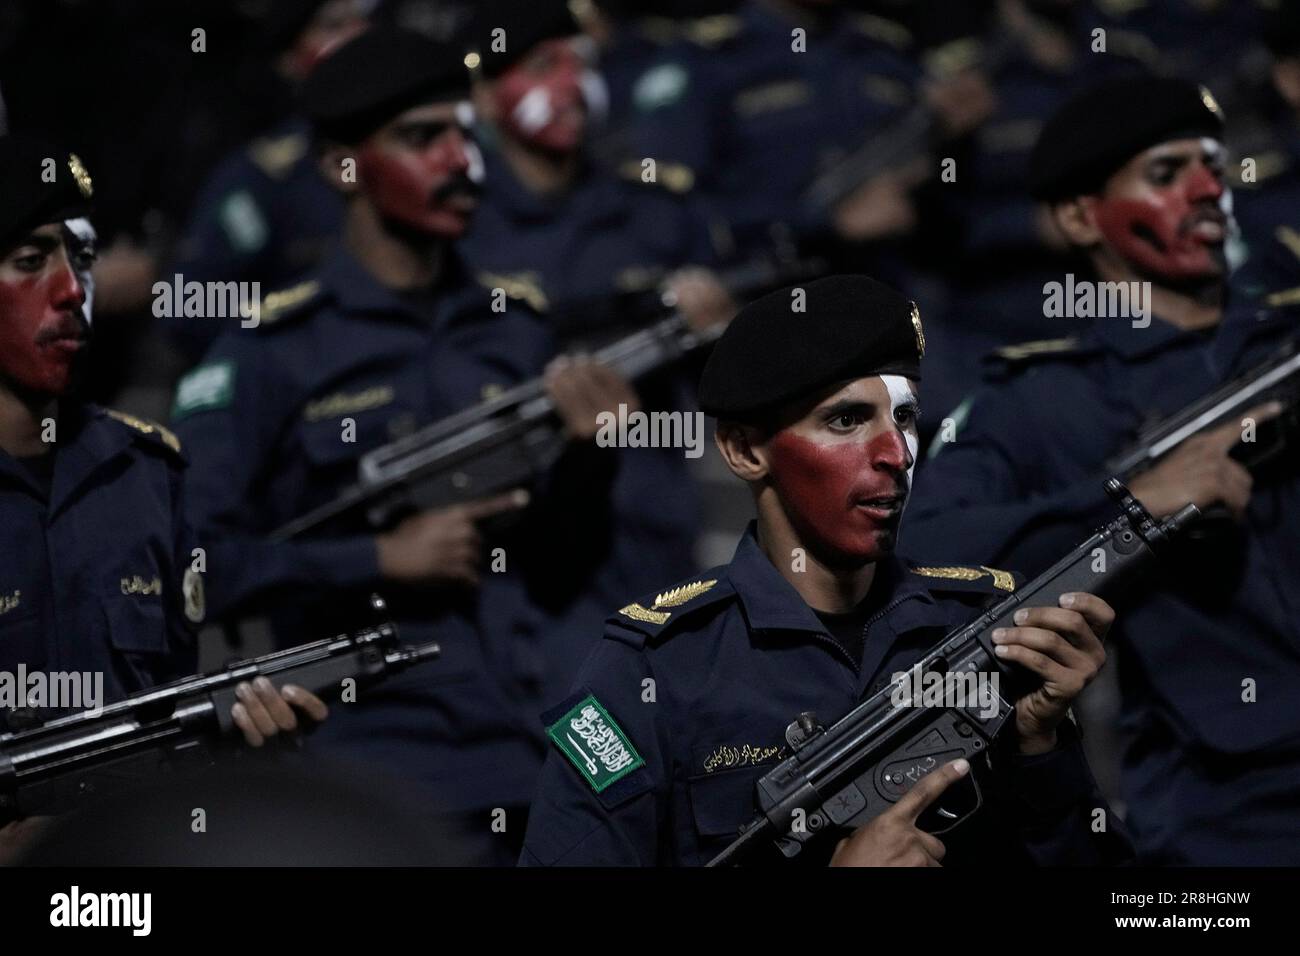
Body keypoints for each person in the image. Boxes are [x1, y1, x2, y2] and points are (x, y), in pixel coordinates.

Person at [171, 27, 636, 864]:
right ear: (343, 167)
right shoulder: (271, 353)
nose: (462, 160)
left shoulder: (514, 326)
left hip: (534, 746)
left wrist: (592, 458)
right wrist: (377, 560)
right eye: (424, 137)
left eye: (466, 132)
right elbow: (196, 566)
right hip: (367, 761)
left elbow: (562, 563)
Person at [520, 275, 1130, 866]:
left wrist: (1037, 748)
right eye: (845, 421)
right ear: (744, 450)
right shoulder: (656, 667)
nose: (895, 454)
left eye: (906, 419)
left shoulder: (978, 626)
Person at [904, 75, 1300, 864]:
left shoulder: (1285, 334)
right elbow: (925, 551)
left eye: (1214, 166)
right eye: (1166, 173)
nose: (1207, 188)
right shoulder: (1045, 393)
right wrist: (1130, 501)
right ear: (1080, 217)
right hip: (1227, 810)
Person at [0, 133, 326, 855]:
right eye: (30, 263)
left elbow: (171, 713)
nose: (70, 293)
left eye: (81, 261)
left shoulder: (146, 472)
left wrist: (240, 747)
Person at [164, 0, 369, 361]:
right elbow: (188, 305)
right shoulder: (264, 179)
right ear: (289, 60)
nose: (358, 36)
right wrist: (298, 348)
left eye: (361, 21)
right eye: (332, 26)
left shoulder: (432, 147)